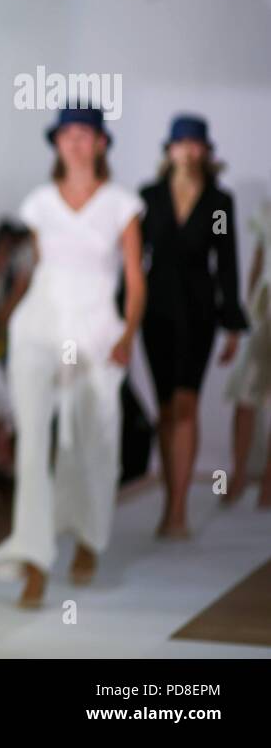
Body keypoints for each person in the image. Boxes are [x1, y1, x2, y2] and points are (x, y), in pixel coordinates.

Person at [0, 107, 146, 607]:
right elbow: (37, 270)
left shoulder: (122, 203)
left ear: (100, 143)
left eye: (85, 135)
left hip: (96, 324)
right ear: (56, 143)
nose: (75, 144)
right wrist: (5, 317)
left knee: (91, 433)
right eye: (67, 135)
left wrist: (128, 334)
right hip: (40, 324)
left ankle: (88, 538)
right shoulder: (39, 203)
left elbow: (135, 276)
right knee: (34, 438)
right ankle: (33, 557)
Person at [139, 114, 248, 537]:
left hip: (199, 310)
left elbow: (227, 260)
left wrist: (233, 323)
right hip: (156, 309)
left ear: (206, 151)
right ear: (169, 150)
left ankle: (179, 509)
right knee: (165, 406)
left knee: (187, 402)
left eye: (195, 144)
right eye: (180, 143)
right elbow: (133, 256)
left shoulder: (220, 203)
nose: (188, 151)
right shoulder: (148, 197)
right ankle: (170, 498)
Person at [223, 194, 271, 508]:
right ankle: (238, 473)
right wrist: (246, 313)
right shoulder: (267, 207)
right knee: (247, 390)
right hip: (264, 306)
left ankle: (268, 479)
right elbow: (257, 257)